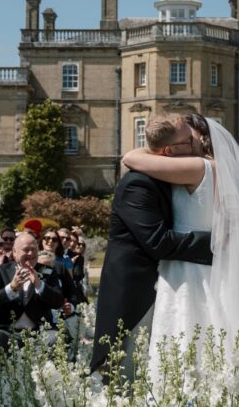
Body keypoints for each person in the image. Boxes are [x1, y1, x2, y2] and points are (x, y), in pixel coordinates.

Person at [116, 113, 239, 373]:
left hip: (186, 266)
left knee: (186, 331)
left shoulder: (199, 167)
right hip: (208, 264)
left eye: (188, 139)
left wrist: (162, 148)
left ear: (201, 141)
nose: (185, 145)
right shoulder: (217, 168)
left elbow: (131, 158)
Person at [90, 114, 215, 375]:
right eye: (188, 141)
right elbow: (158, 241)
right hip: (135, 295)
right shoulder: (137, 184)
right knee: (128, 374)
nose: (195, 144)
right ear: (168, 151)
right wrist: (215, 243)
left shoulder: (168, 175)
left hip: (167, 283)